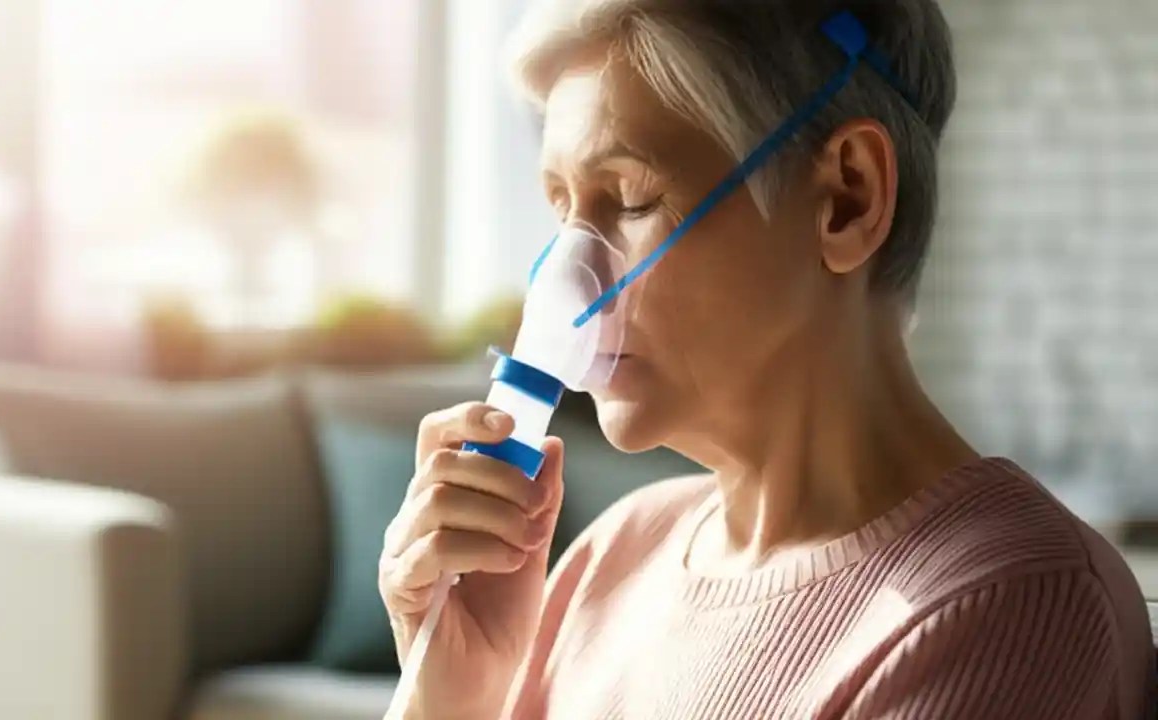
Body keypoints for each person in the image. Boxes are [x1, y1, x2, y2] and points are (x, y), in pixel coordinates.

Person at [378, 1, 1156, 718]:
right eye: (563, 212)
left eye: (632, 197)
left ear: (846, 199)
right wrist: (452, 696)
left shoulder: (1005, 609)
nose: (566, 283)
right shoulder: (613, 557)